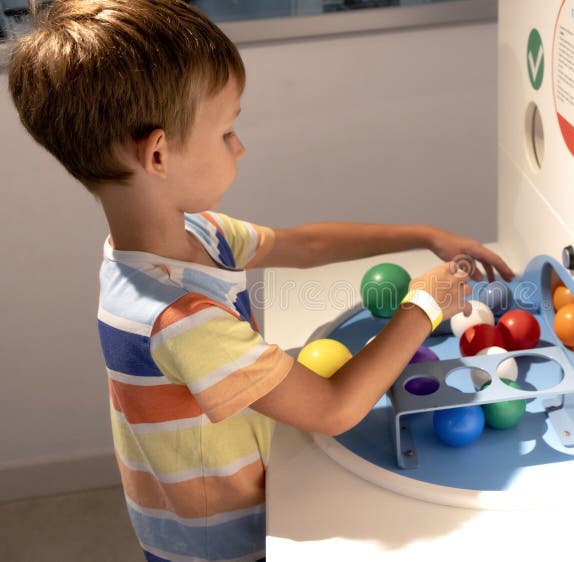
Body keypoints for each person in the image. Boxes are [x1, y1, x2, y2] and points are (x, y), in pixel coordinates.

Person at [8, 1, 514, 560]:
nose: (240, 145)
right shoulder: (180, 319)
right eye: (227, 131)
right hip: (222, 545)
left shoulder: (194, 235)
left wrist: (423, 234)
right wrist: (427, 304)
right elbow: (333, 408)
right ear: (157, 154)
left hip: (244, 492)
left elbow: (307, 245)